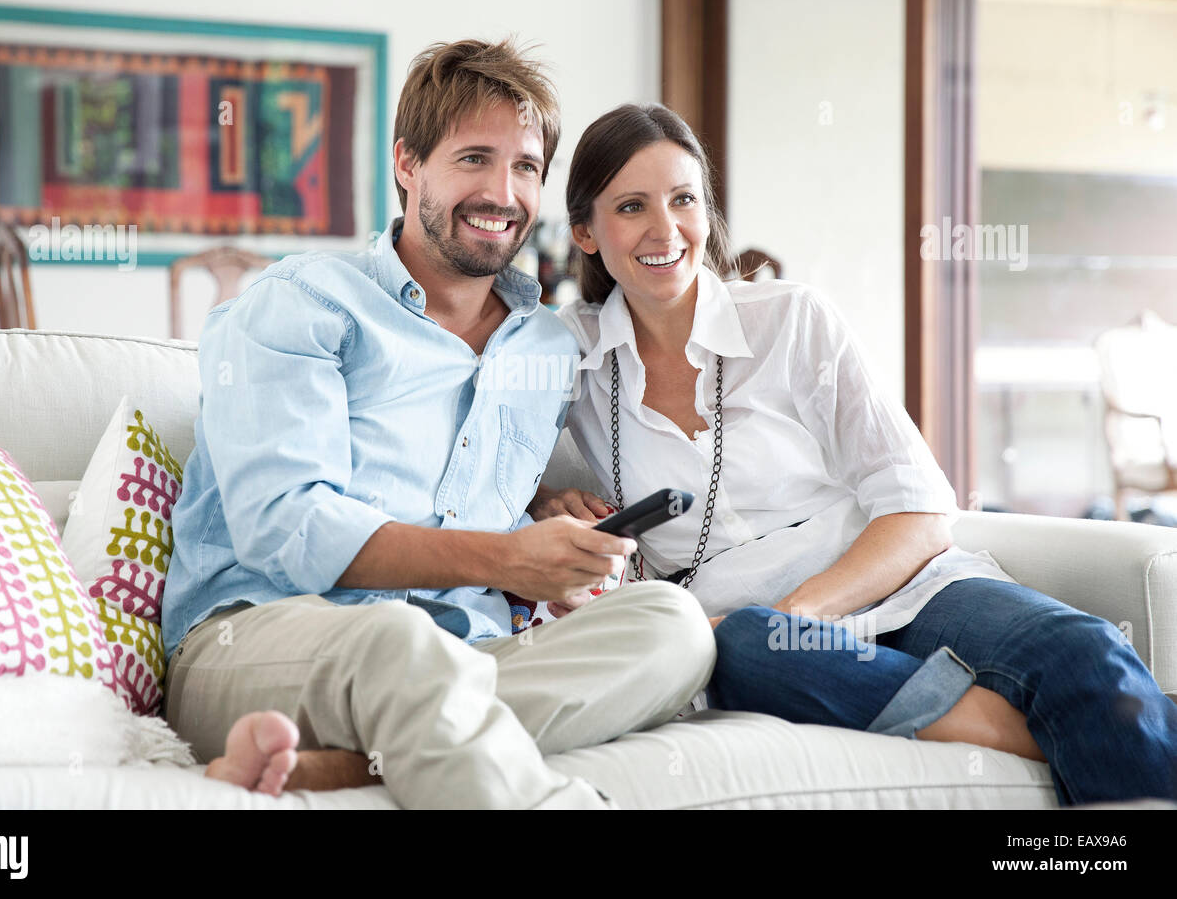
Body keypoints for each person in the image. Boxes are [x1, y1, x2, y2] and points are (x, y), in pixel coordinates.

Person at [531, 101, 1177, 806]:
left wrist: (804, 610)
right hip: (751, 639)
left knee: (1088, 657)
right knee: (742, 642)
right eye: (631, 206)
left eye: (684, 199)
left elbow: (922, 511)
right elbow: (484, 465)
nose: (665, 229)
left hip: (906, 588)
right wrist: (544, 500)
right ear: (586, 233)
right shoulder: (570, 356)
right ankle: (1031, 727)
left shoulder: (790, 319)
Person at [159, 43, 716, 809]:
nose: (502, 191)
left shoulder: (550, 346)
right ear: (407, 165)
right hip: (261, 639)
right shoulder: (303, 304)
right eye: (474, 159)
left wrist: (539, 507)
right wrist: (508, 556)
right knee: (399, 640)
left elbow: (456, 476)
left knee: (673, 627)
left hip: (466, 650)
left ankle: (346, 767)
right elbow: (286, 529)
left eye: (524, 166)